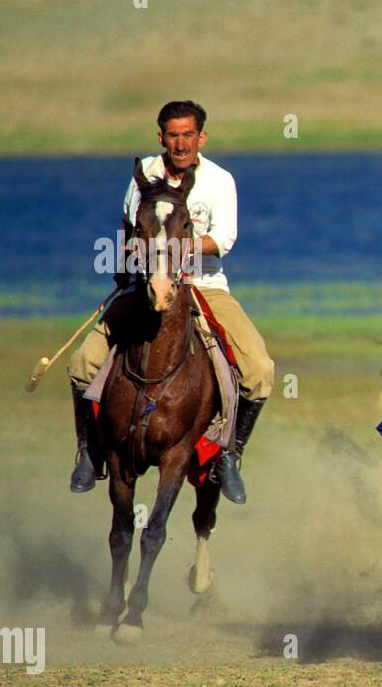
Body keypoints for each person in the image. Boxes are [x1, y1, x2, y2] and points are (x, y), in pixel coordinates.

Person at [67, 100, 274, 504]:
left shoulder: (219, 180)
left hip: (204, 283)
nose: (181, 144)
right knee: (82, 364)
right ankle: (89, 453)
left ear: (202, 137)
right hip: (146, 282)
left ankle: (230, 456)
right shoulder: (144, 173)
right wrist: (140, 260)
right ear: (161, 137)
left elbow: (224, 241)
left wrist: (177, 249)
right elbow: (129, 232)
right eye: (173, 136)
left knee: (261, 371)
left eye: (189, 135)